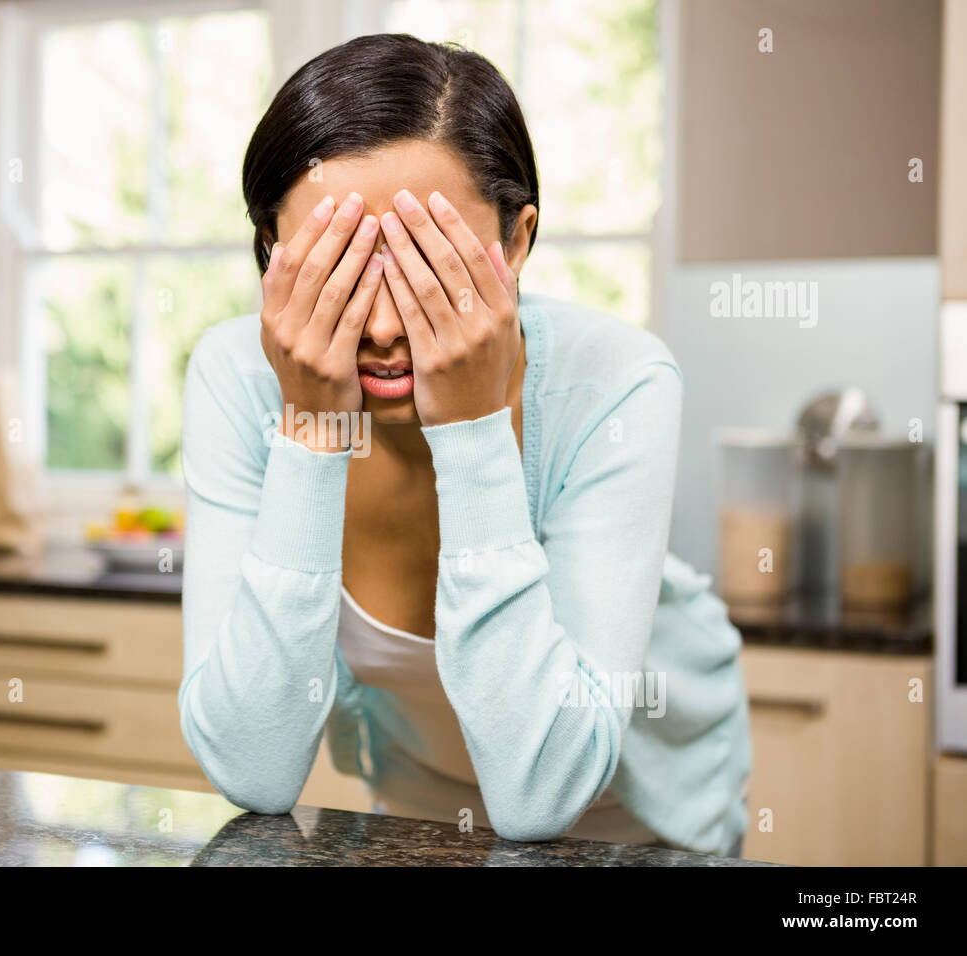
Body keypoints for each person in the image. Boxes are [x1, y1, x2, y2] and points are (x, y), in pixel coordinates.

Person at [177, 33, 751, 856]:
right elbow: (254, 769)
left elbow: (542, 791)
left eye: (422, 263)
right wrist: (308, 429)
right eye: (335, 265)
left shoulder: (619, 380)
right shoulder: (240, 377)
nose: (377, 328)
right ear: (272, 248)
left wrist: (475, 431)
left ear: (515, 244)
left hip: (639, 824)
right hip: (415, 812)